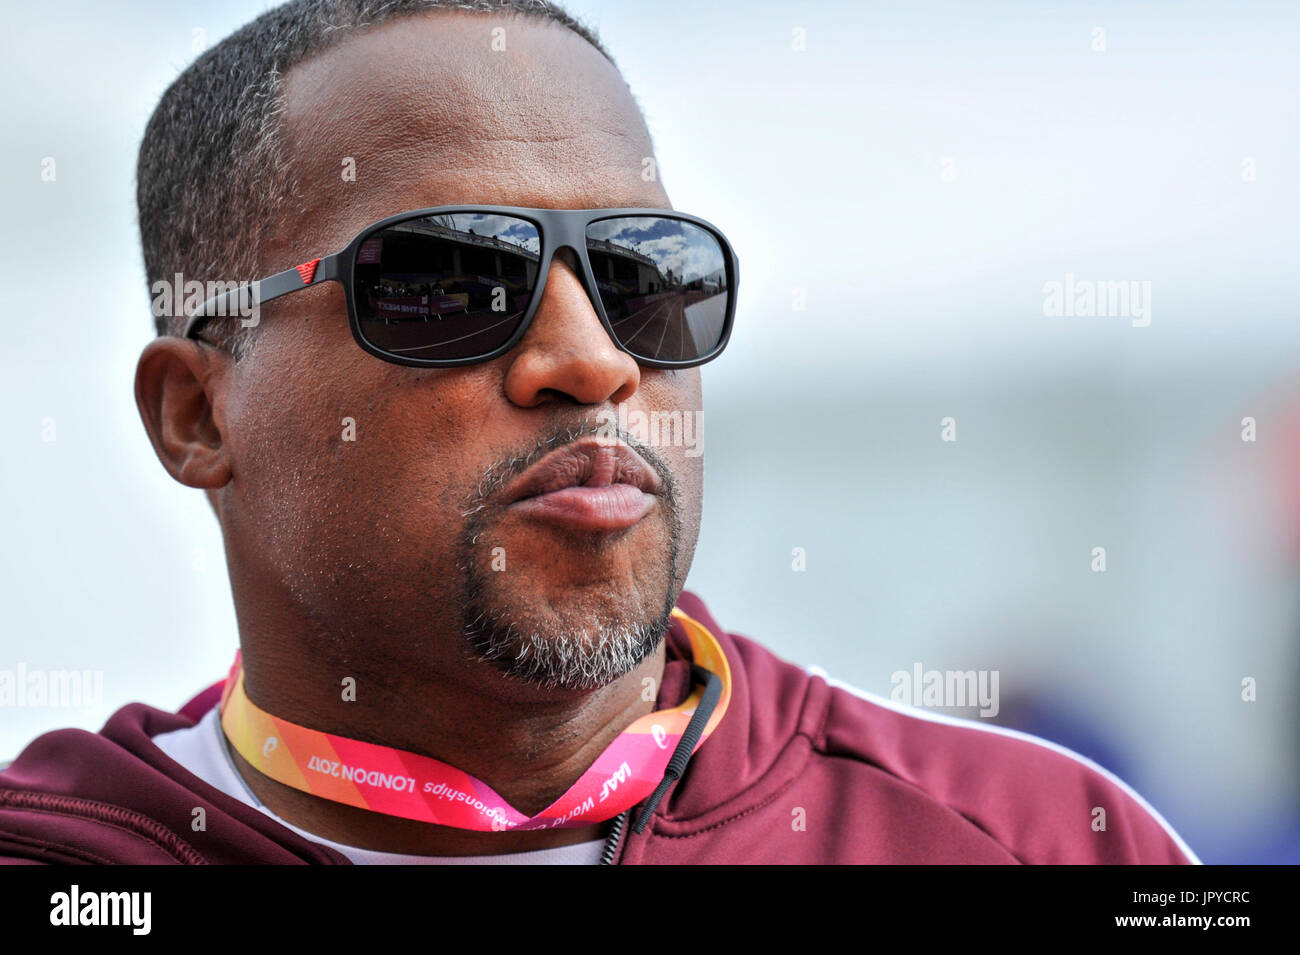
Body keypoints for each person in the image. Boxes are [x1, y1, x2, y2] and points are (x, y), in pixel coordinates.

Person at [0, 0, 1197, 865]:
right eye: (449, 278)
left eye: (644, 276)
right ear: (197, 414)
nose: (595, 359)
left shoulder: (1037, 843)